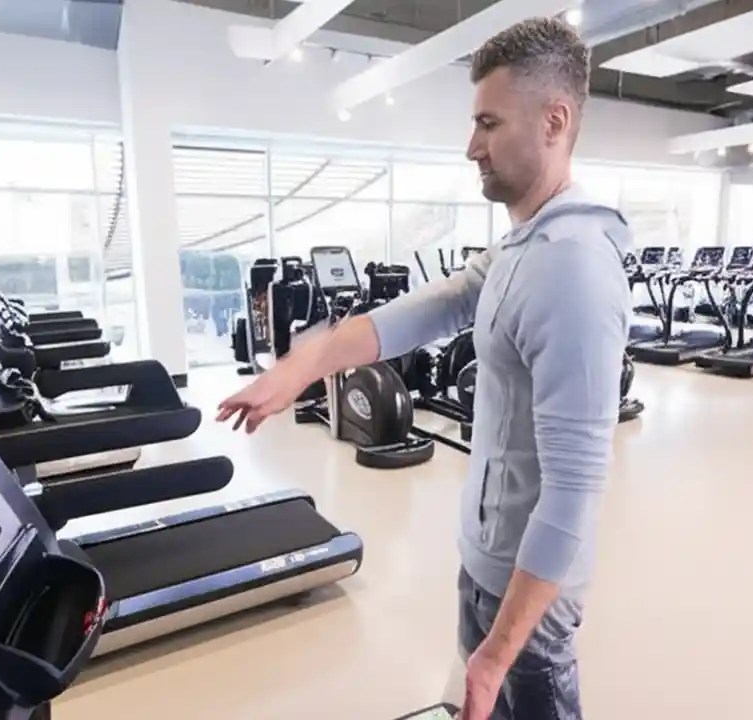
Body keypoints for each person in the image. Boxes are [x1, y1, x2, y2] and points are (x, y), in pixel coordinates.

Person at [217, 17, 631, 720]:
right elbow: (422, 312)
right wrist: (301, 366)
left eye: (488, 123)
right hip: (488, 568)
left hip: (527, 609)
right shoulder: (523, 245)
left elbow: (574, 491)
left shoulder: (573, 268)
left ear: (554, 121)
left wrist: (497, 652)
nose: (471, 146)